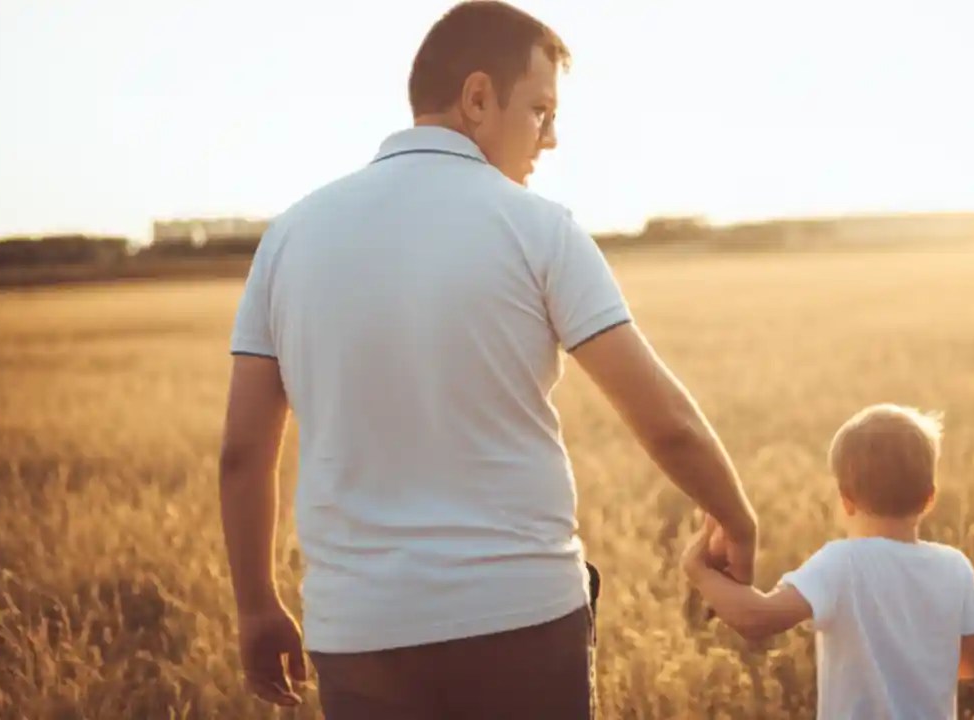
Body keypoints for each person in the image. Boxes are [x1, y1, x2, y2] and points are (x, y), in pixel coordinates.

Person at [217, 2, 757, 717]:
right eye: (539, 110)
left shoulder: (289, 237)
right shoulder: (539, 227)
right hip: (522, 618)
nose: (551, 138)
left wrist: (256, 607)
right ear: (477, 98)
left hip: (359, 633)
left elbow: (243, 454)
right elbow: (667, 425)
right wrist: (735, 518)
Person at [683, 404, 974, 720]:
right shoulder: (955, 566)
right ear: (929, 498)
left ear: (846, 499)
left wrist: (699, 571)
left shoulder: (841, 563)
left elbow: (756, 618)